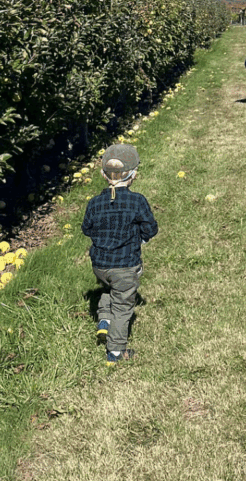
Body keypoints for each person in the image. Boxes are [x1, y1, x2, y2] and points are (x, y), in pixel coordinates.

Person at [81, 143, 158, 365]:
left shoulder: (95, 203)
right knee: (123, 306)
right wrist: (141, 238)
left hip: (100, 264)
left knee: (108, 287)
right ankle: (115, 352)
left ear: (103, 174)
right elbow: (151, 228)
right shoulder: (137, 201)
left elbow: (86, 229)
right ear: (133, 175)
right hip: (125, 265)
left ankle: (104, 320)